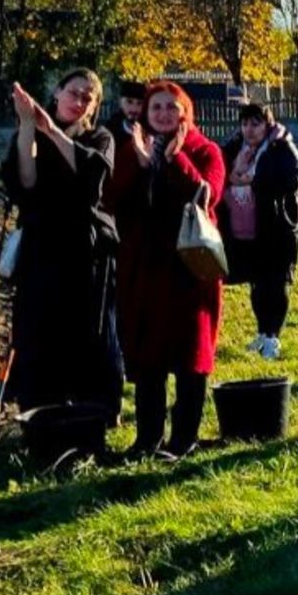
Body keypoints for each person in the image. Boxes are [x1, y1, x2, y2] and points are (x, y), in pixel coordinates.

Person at [105, 79, 226, 459]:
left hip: (189, 269)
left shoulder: (205, 150)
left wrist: (176, 160)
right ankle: (148, 438)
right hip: (143, 270)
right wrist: (139, 164)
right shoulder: (131, 150)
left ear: (186, 113)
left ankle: (184, 438)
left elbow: (207, 195)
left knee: (191, 355)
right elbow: (111, 199)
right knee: (147, 357)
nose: (163, 114)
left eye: (172, 107)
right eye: (155, 107)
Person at [0, 70, 122, 416]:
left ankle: (93, 412)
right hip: (41, 247)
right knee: (39, 332)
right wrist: (28, 125)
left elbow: (92, 179)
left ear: (94, 107)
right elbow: (25, 182)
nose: (79, 101)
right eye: (74, 92)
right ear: (57, 93)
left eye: (87, 98)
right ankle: (42, 411)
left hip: (85, 250)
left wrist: (51, 130)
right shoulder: (27, 134)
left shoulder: (100, 137)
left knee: (88, 332)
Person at [219, 102, 298, 361]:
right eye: (245, 123)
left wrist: (255, 181)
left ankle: (273, 336)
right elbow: (218, 168)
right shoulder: (235, 146)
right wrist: (233, 178)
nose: (249, 129)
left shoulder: (280, 146)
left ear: (267, 125)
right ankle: (262, 332)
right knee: (256, 281)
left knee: (275, 282)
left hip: (277, 226)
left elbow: (294, 176)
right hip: (246, 228)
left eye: (255, 124)